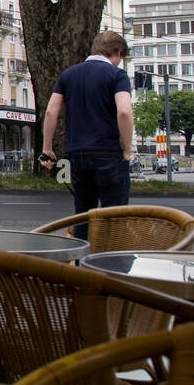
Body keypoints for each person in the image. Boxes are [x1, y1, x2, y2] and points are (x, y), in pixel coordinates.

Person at [40, 31, 134, 237]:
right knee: (114, 217)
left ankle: (81, 263)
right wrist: (127, 149)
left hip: (77, 153)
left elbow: (51, 111)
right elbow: (124, 111)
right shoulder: (117, 76)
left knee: (83, 214)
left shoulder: (68, 74)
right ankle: (109, 265)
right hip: (108, 152)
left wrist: (47, 149)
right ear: (118, 53)